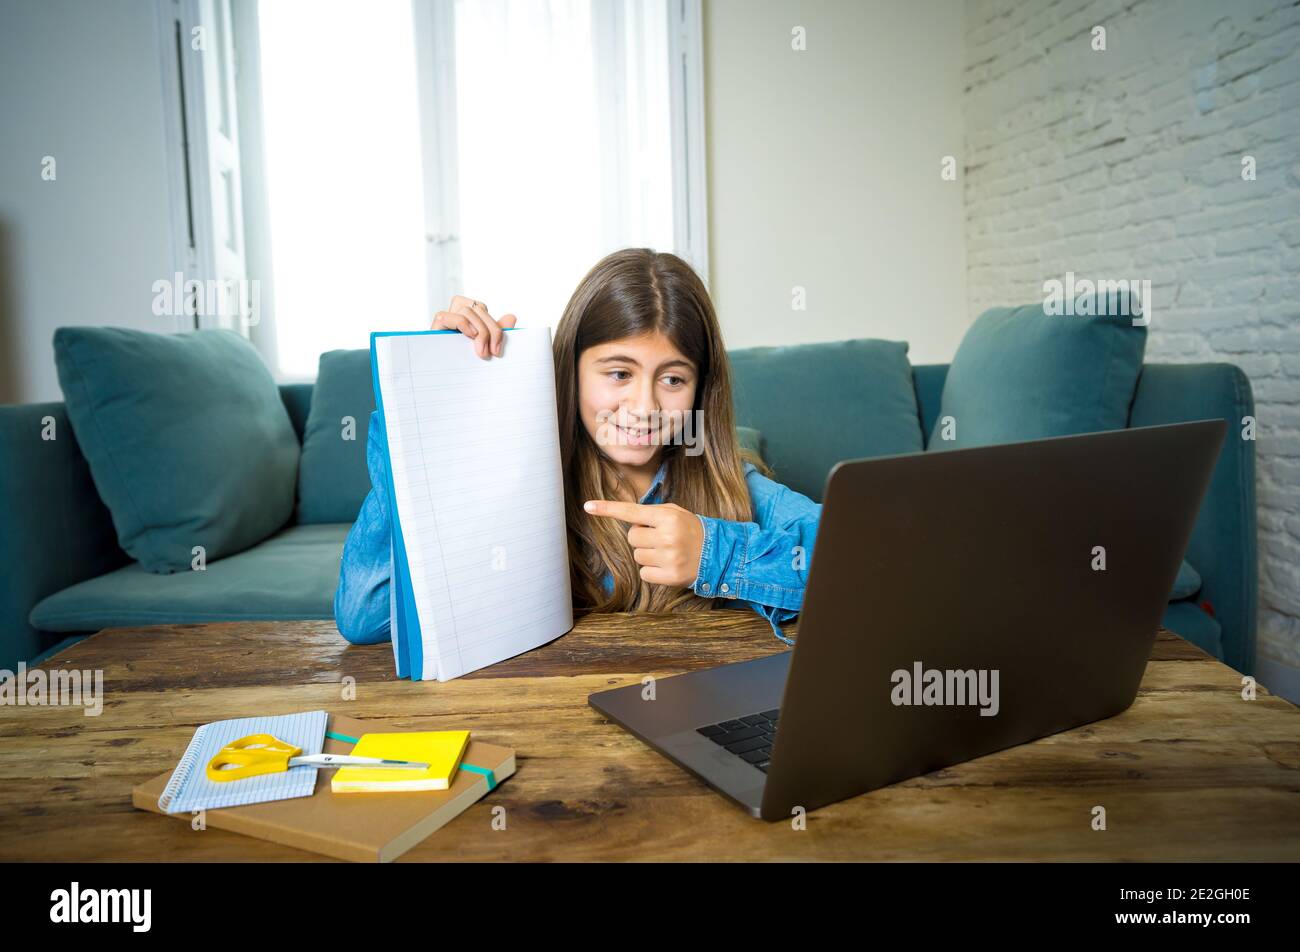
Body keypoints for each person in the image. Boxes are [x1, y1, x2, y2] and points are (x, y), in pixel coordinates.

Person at [335, 247, 822, 646]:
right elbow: (366, 615)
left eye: (672, 379)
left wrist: (715, 553)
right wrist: (422, 403)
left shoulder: (729, 485)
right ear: (571, 370)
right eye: (619, 373)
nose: (643, 405)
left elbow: (861, 561)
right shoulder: (517, 487)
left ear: (700, 390)